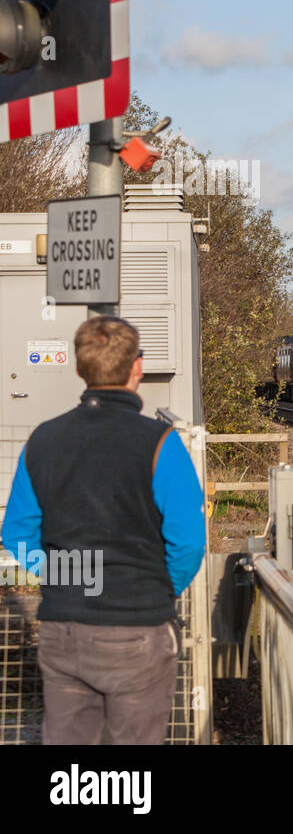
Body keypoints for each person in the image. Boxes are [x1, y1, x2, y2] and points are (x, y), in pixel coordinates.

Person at [1, 316, 206, 745]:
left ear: (79, 370)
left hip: (64, 628)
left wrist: (70, 579)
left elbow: (18, 533)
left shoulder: (43, 440)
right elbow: (187, 540)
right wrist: (153, 590)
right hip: (139, 630)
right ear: (137, 367)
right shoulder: (162, 444)